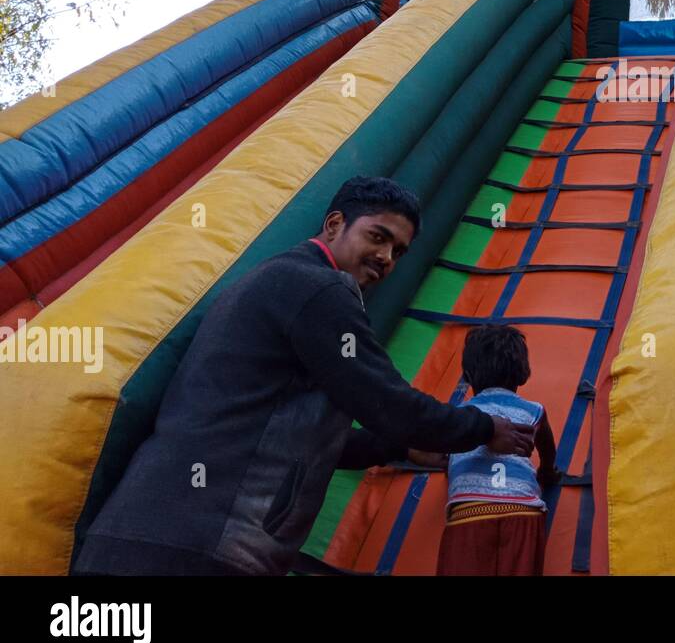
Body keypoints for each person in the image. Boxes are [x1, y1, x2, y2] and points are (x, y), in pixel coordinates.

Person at [73, 176, 534, 577]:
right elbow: (386, 401)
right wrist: (483, 427)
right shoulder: (321, 289)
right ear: (334, 224)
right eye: (378, 236)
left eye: (398, 250)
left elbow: (290, 438)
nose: (386, 257)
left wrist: (397, 447)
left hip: (142, 539)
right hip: (197, 547)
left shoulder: (272, 280)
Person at [436, 323, 559, 577]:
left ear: (467, 374)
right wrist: (546, 471)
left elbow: (440, 450)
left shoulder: (458, 415)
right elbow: (546, 445)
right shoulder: (533, 410)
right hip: (523, 511)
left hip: (469, 514)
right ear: (524, 372)